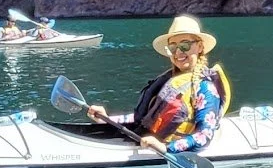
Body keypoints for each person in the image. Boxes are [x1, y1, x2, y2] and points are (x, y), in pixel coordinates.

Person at [87, 14, 230, 156]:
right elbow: (144, 119)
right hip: (147, 141)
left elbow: (204, 136)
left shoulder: (205, 88)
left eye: (185, 45)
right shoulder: (169, 81)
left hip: (168, 149)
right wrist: (106, 119)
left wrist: (165, 148)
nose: (178, 52)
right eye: (173, 47)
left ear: (199, 47)